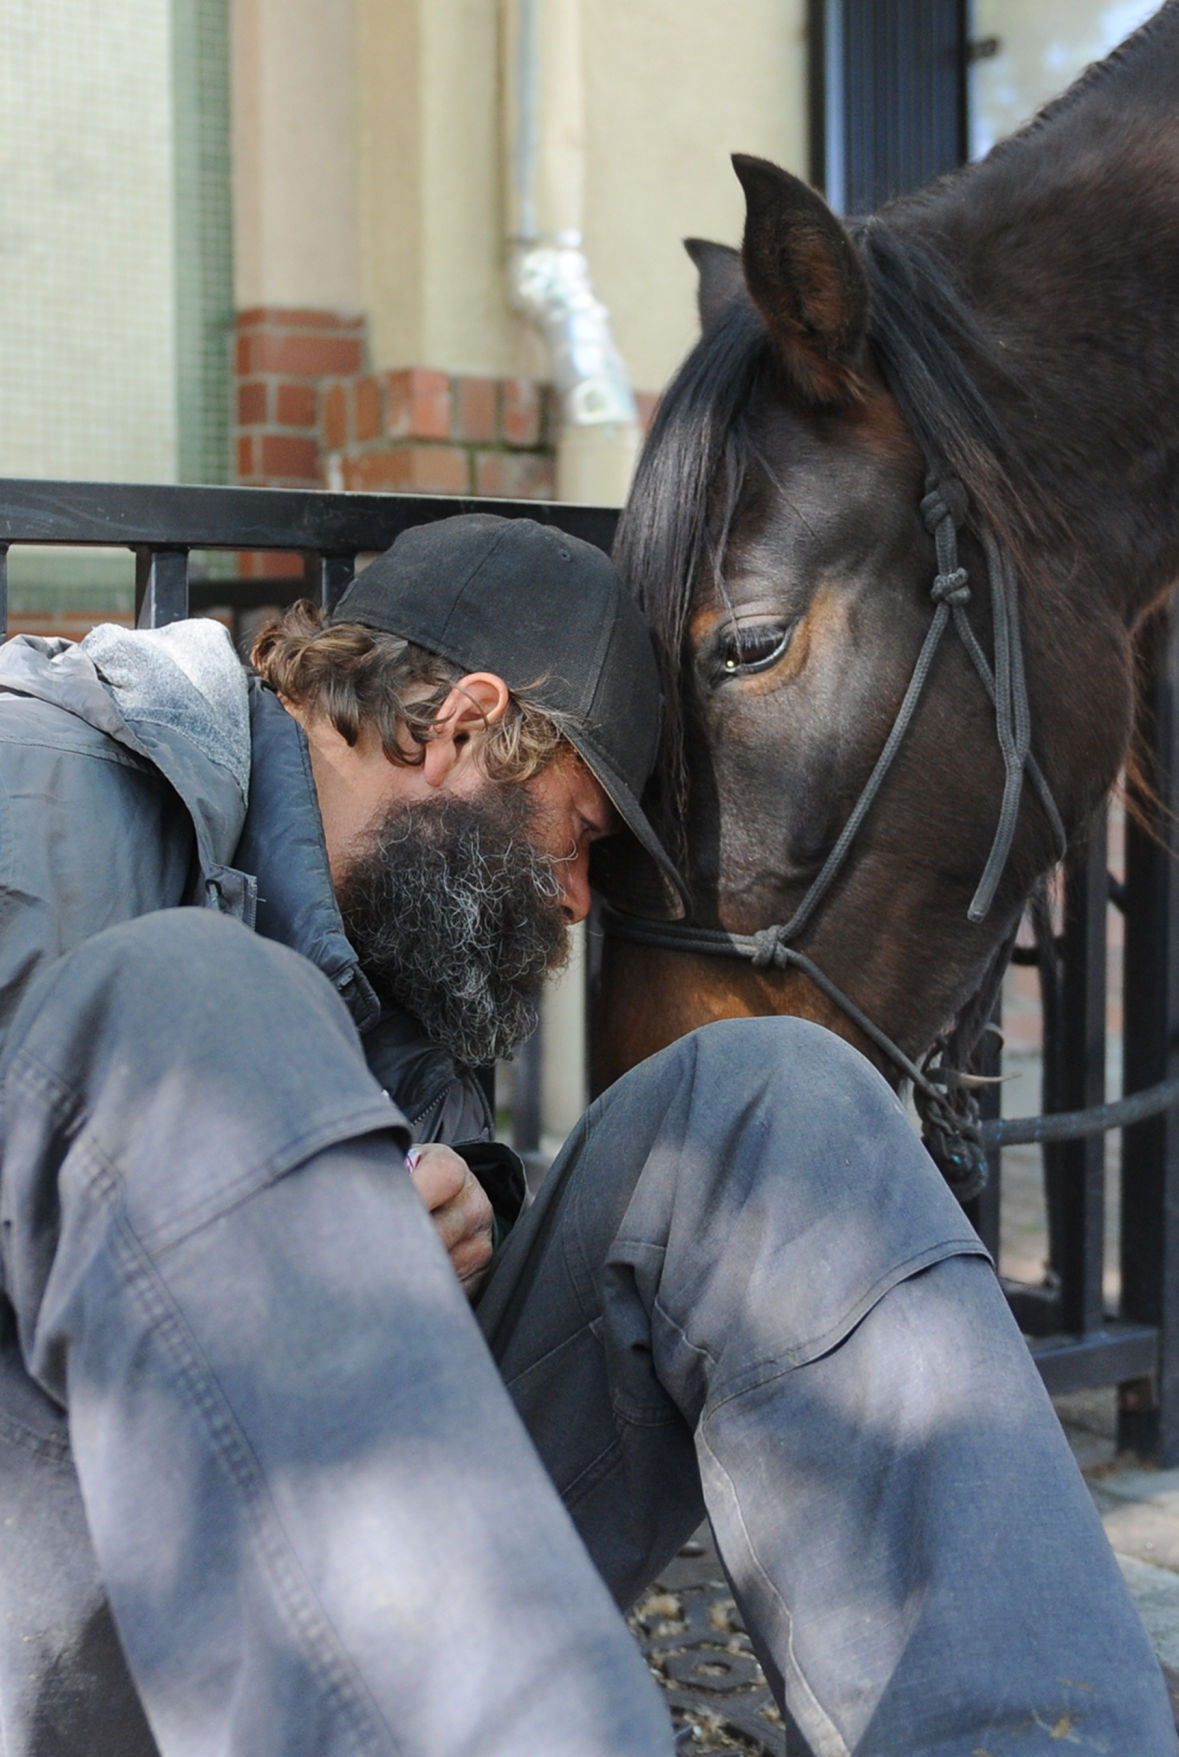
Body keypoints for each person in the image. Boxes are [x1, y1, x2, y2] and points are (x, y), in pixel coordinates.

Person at [0, 512, 1171, 1757]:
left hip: (354, 1626)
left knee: (774, 1103)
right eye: (581, 837)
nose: (571, 900)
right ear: (464, 723)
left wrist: (447, 1222)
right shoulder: (42, 782)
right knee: (208, 997)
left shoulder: (397, 959)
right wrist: (239, 1208)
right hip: (63, 1591)